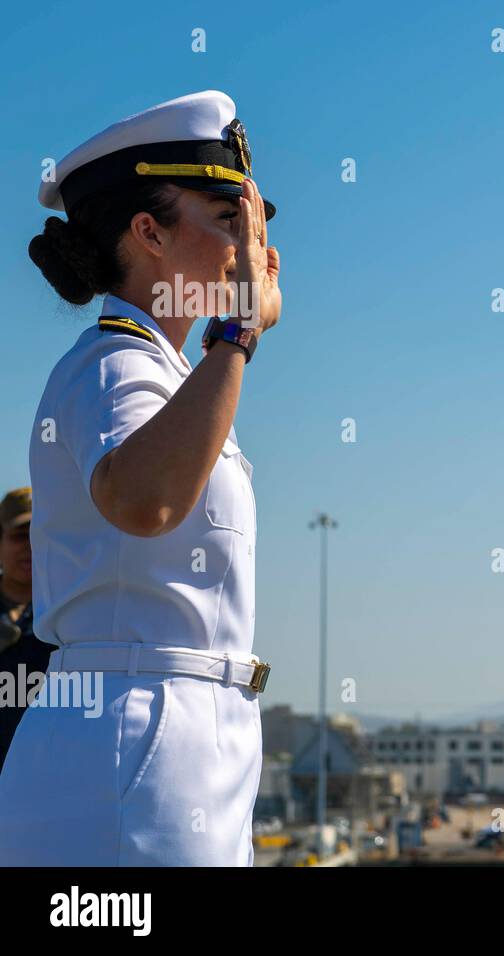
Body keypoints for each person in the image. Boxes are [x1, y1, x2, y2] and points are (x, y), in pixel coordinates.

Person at [0, 91, 281, 865]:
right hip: (133, 744)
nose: (248, 246)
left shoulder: (168, 375)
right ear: (148, 232)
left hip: (180, 742)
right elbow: (145, 499)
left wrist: (227, 346)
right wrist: (237, 333)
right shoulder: (111, 364)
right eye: (227, 216)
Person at [0, 487, 51, 772]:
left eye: (40, 534)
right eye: (20, 535)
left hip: (45, 776)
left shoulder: (71, 618)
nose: (31, 545)